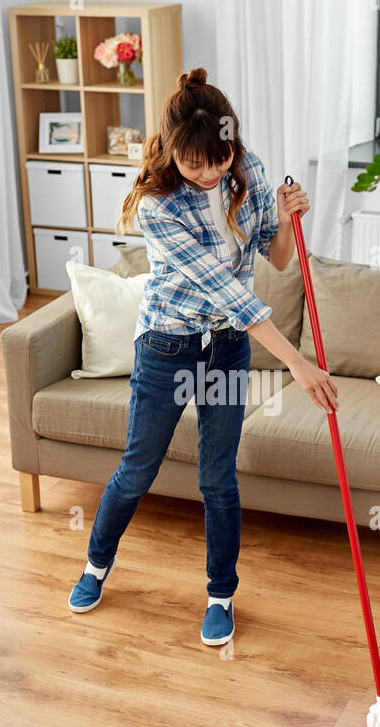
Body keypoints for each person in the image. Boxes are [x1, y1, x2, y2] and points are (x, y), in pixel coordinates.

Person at [67, 66, 339, 646]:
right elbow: (230, 291)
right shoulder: (157, 207)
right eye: (196, 166)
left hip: (228, 349)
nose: (212, 174)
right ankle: (96, 564)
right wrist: (296, 360)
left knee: (219, 478)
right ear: (172, 153)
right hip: (169, 345)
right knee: (137, 470)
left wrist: (290, 219)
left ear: (229, 143)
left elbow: (281, 261)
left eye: (220, 160)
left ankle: (221, 596)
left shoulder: (248, 169)